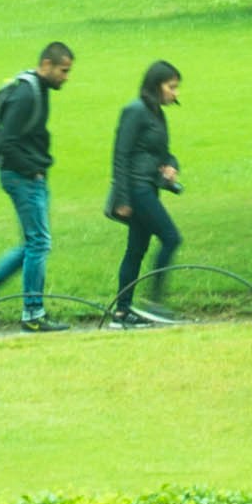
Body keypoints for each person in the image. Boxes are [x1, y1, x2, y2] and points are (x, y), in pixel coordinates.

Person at [0, 40, 73, 329]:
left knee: (32, 243)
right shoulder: (26, 94)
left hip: (28, 175)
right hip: (22, 177)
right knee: (39, 243)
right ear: (46, 65)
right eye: (63, 70)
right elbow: (7, 143)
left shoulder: (39, 89)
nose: (66, 77)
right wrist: (33, 171)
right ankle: (33, 314)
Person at [105, 59, 186, 326]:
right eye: (171, 87)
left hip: (149, 187)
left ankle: (122, 312)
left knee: (136, 250)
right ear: (156, 85)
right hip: (137, 189)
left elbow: (164, 154)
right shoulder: (135, 111)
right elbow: (121, 155)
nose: (175, 93)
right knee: (171, 238)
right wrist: (123, 198)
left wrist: (172, 167)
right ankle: (154, 302)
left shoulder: (156, 114)